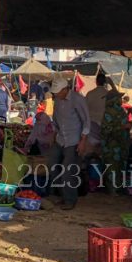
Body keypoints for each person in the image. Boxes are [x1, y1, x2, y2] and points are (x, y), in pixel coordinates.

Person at [47, 76, 90, 210]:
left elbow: (86, 121)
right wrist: (53, 135)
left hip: (74, 140)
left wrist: (83, 141)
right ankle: (63, 195)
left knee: (68, 170)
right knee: (53, 165)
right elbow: (56, 119)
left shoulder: (78, 99)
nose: (56, 94)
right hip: (60, 139)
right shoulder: (57, 101)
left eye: (58, 92)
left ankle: (70, 200)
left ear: (65, 89)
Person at [99, 86, 132, 193]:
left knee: (120, 167)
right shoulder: (108, 112)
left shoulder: (120, 110)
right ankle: (112, 190)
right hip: (111, 146)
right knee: (112, 167)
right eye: (118, 98)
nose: (120, 100)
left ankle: (119, 188)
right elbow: (106, 129)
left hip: (121, 144)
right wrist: (123, 127)